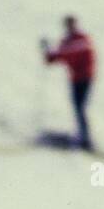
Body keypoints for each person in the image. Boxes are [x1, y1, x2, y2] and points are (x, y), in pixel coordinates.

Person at [41, 15, 95, 151]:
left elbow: (68, 52)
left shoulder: (81, 39)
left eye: (71, 24)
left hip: (86, 77)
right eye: (68, 24)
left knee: (80, 106)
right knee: (77, 106)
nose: (70, 27)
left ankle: (85, 137)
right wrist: (46, 50)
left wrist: (53, 52)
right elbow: (52, 59)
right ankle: (83, 135)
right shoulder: (67, 42)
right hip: (75, 79)